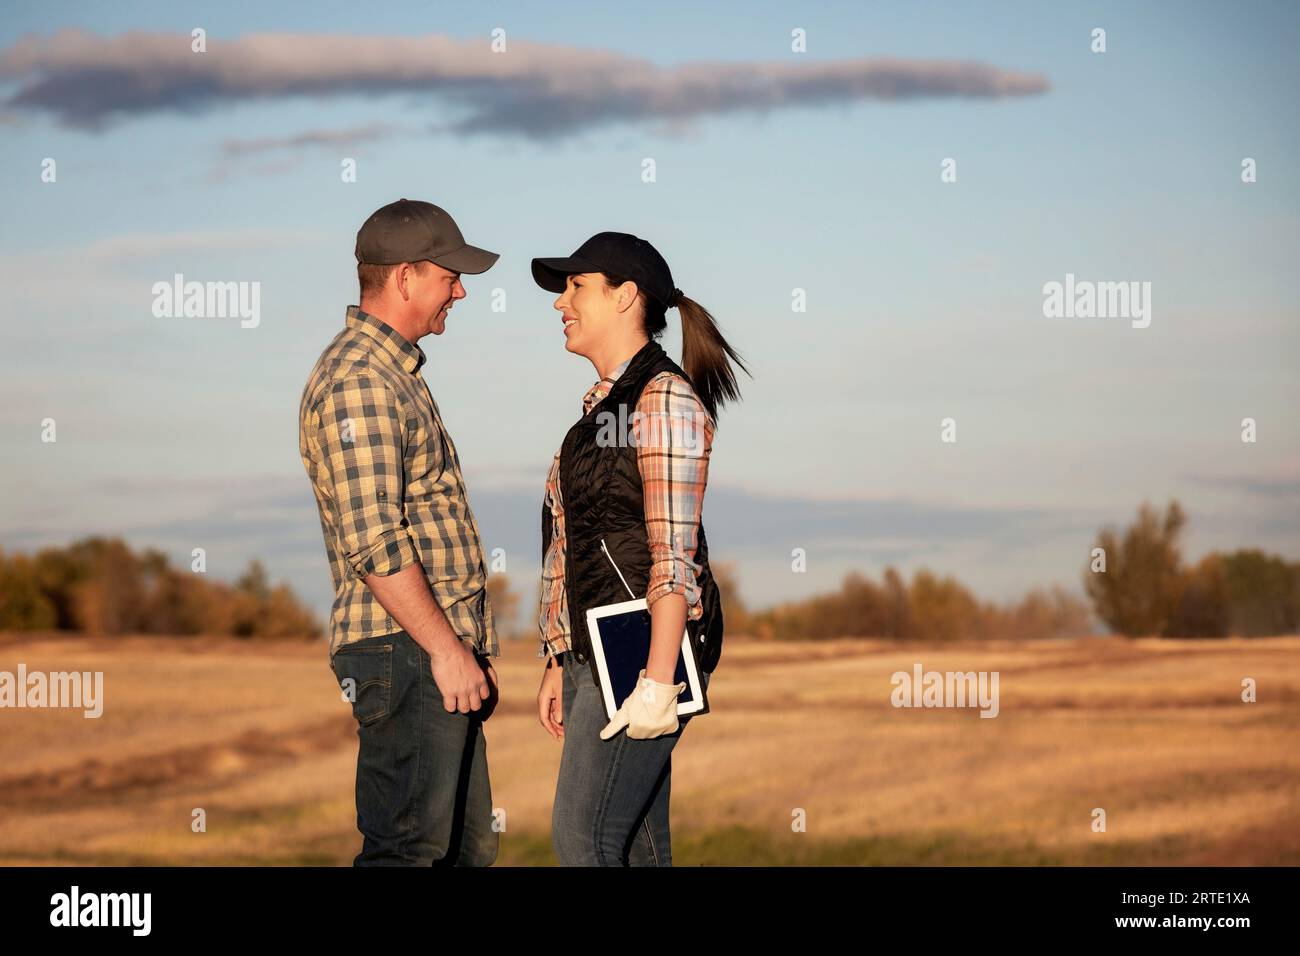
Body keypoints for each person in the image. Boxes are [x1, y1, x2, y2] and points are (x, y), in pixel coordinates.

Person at [532, 231, 748, 866]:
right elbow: (568, 548)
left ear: (625, 296)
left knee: (582, 840)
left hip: (641, 655)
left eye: (576, 286)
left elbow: (673, 554)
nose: (559, 303)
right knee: (638, 849)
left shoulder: (664, 400)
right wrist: (556, 654)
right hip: (589, 655)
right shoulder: (594, 418)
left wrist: (658, 681)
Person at [298, 199, 501, 866]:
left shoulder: (393, 373)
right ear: (407, 277)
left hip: (425, 648)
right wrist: (445, 648)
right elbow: (375, 541)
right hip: (407, 648)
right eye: (451, 275)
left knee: (463, 853)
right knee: (409, 852)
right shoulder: (361, 380)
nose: (462, 290)